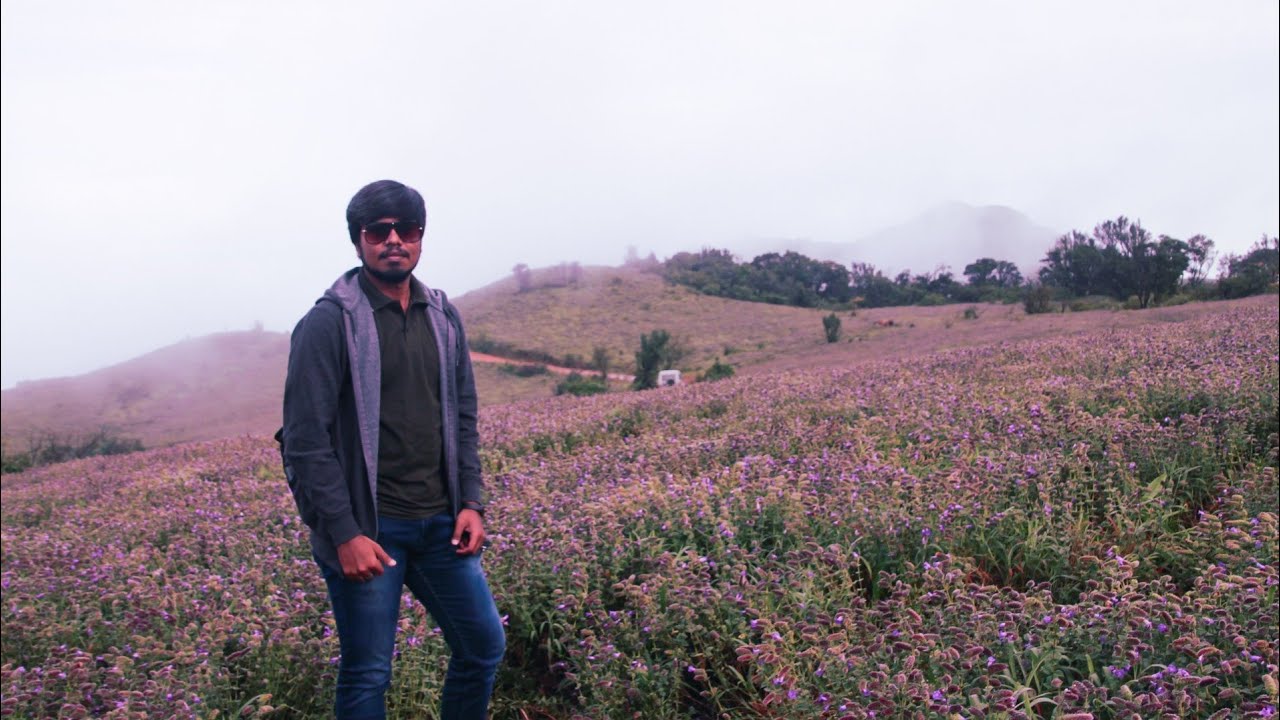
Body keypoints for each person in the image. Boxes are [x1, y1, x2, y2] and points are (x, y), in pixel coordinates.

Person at [280, 179, 505, 719]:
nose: (394, 241)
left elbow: (463, 416)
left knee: (483, 647)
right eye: (378, 231)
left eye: (407, 230)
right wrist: (343, 534)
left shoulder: (443, 316)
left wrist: (471, 501)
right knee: (368, 673)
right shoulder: (328, 323)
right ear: (358, 242)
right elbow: (304, 441)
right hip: (369, 533)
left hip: (441, 525)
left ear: (421, 237)